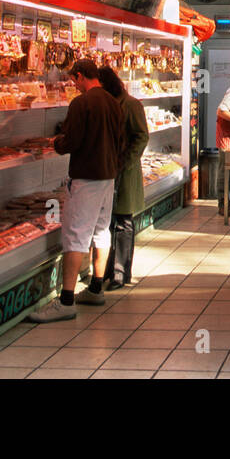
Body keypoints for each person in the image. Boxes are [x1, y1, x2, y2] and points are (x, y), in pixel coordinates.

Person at [28, 59, 124, 322]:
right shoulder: (114, 103)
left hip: (86, 178)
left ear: (80, 76)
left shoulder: (81, 103)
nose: (73, 85)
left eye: (73, 80)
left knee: (75, 235)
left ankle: (66, 299)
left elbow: (71, 141)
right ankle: (95, 288)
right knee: (101, 230)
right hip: (108, 177)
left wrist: (56, 142)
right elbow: (121, 141)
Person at [98, 65, 149, 290]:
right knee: (108, 224)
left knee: (123, 222)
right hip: (107, 171)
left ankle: (120, 272)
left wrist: (124, 162)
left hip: (124, 174)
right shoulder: (106, 104)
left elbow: (141, 137)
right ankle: (107, 269)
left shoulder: (130, 105)